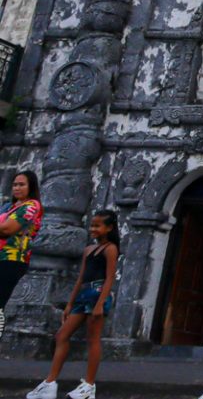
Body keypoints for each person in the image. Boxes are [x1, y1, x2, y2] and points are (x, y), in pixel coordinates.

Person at [26, 210, 120, 399]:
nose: (93, 228)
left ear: (109, 228)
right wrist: (69, 304)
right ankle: (50, 383)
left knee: (92, 339)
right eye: (92, 225)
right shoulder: (88, 250)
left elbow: (110, 277)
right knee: (62, 335)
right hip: (83, 294)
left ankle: (89, 386)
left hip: (97, 293)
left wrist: (100, 303)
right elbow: (80, 278)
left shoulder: (110, 249)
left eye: (97, 225)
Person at [0, 170, 44, 340]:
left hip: (11, 259)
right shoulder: (9, 207)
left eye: (22, 184)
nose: (17, 188)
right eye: (15, 184)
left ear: (31, 187)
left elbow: (8, 229)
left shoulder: (31, 206)